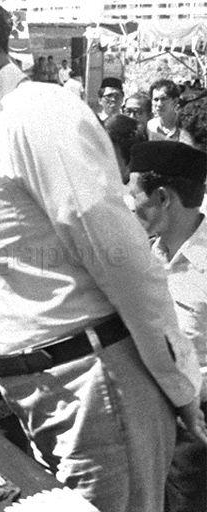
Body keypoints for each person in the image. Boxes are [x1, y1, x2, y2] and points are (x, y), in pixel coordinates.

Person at [0, 2, 205, 511]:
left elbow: (126, 261)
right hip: (61, 394)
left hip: (93, 393)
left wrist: (181, 385)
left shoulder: (37, 114)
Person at [127, 141, 207, 512]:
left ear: (162, 197)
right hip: (147, 419)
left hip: (196, 435)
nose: (129, 204)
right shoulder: (141, 254)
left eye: (134, 192)